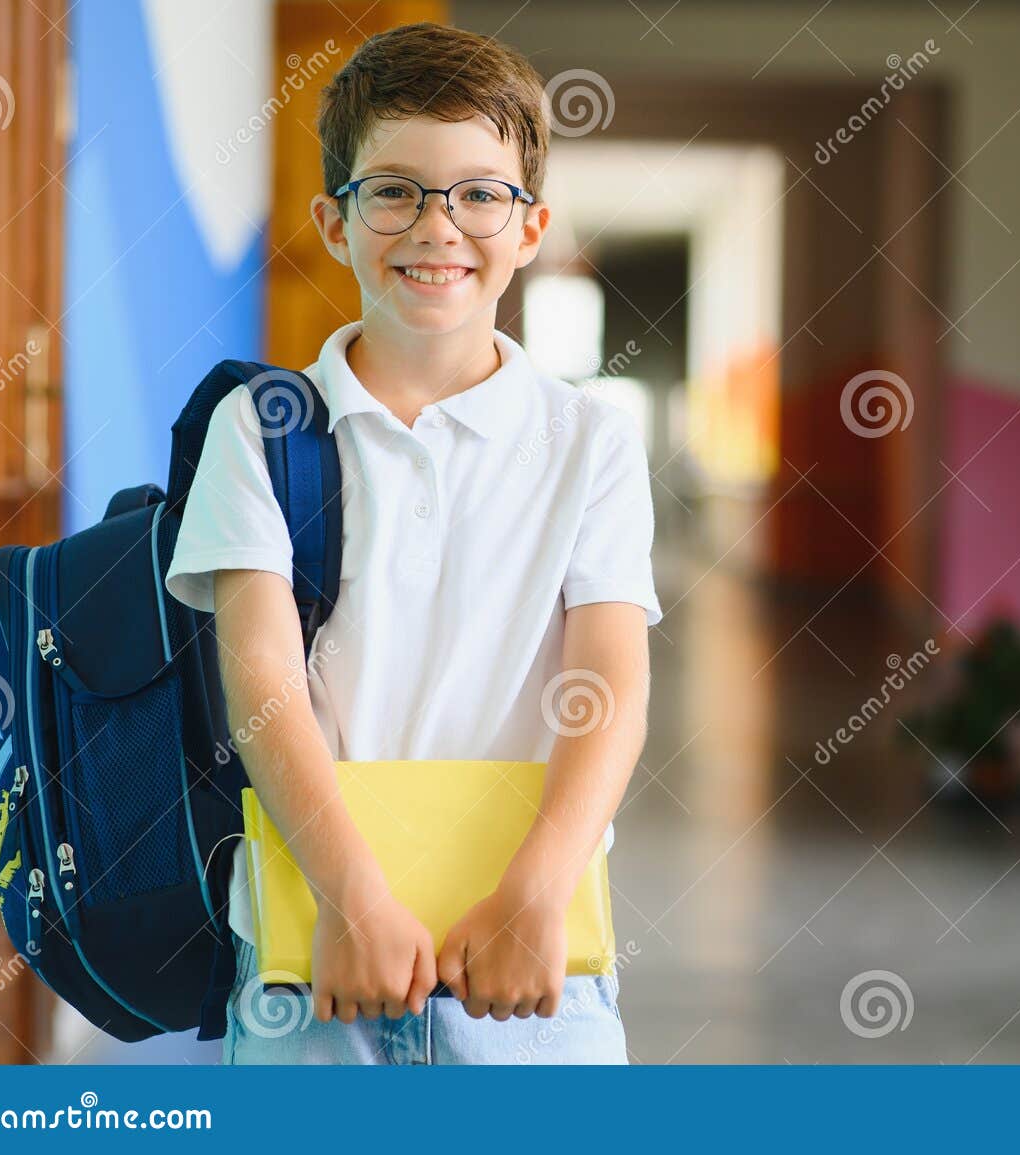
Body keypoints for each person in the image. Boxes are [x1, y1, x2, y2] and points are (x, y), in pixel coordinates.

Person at [165, 21, 661, 1065]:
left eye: (480, 192)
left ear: (530, 227)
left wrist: (538, 889)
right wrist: (351, 896)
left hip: (535, 963)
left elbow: (610, 678)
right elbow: (261, 684)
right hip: (317, 970)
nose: (438, 226)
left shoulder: (590, 441)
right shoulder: (260, 429)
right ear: (333, 224)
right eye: (393, 190)